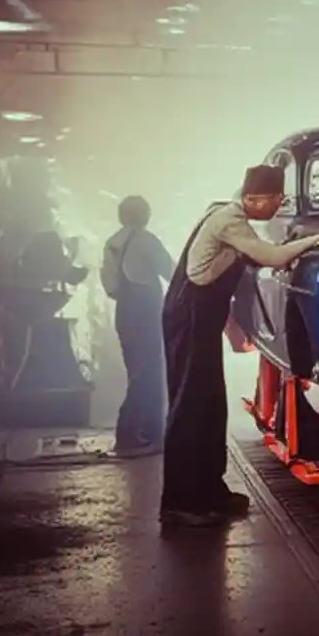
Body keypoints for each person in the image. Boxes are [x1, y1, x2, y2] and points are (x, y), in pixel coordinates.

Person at [161, 165, 319, 527]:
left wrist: (234, 329)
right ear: (253, 198)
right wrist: (315, 241)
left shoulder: (233, 218)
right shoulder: (228, 219)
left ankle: (210, 491)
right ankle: (181, 501)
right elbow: (272, 257)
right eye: (276, 200)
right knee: (190, 406)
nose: (277, 206)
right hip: (189, 319)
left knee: (210, 403)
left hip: (201, 318)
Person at [101, 196, 175, 457]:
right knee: (150, 373)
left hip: (124, 311)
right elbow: (171, 272)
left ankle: (142, 433)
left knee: (136, 369)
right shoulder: (146, 240)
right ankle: (135, 434)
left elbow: (109, 287)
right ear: (142, 215)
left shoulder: (112, 242)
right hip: (146, 311)